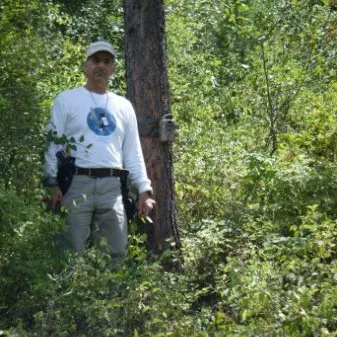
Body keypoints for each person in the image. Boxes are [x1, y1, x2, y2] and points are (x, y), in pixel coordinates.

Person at [44, 40, 155, 258]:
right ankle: (70, 292)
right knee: (70, 253)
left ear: (113, 68)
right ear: (86, 66)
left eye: (106, 61)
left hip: (112, 188)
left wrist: (144, 189)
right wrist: (50, 181)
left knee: (114, 255)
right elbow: (53, 143)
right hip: (76, 183)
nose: (101, 66)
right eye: (96, 60)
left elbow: (132, 152)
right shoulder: (66, 100)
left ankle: (111, 294)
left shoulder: (123, 106)